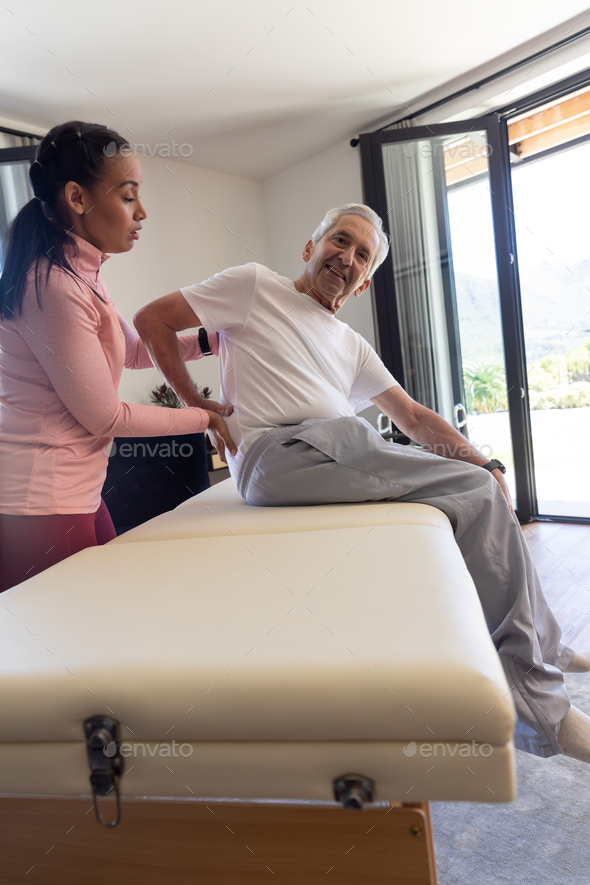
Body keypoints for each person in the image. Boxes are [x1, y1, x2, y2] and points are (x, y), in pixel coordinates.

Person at [134, 202, 590, 764]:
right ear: (310, 247)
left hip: (337, 443)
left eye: (361, 254)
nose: (345, 257)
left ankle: (546, 644)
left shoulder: (349, 344)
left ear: (365, 281)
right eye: (339, 241)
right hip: (285, 450)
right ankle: (545, 714)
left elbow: (415, 418)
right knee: (471, 492)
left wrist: (486, 463)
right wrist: (199, 406)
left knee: (477, 485)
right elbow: (152, 320)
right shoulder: (254, 286)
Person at [0, 120, 234, 593]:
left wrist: (214, 340)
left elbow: (131, 353)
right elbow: (105, 417)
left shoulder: (83, 275)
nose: (142, 212)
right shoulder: (52, 286)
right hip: (38, 499)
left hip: (76, 492)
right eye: (128, 197)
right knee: (70, 647)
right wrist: (202, 419)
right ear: (77, 198)